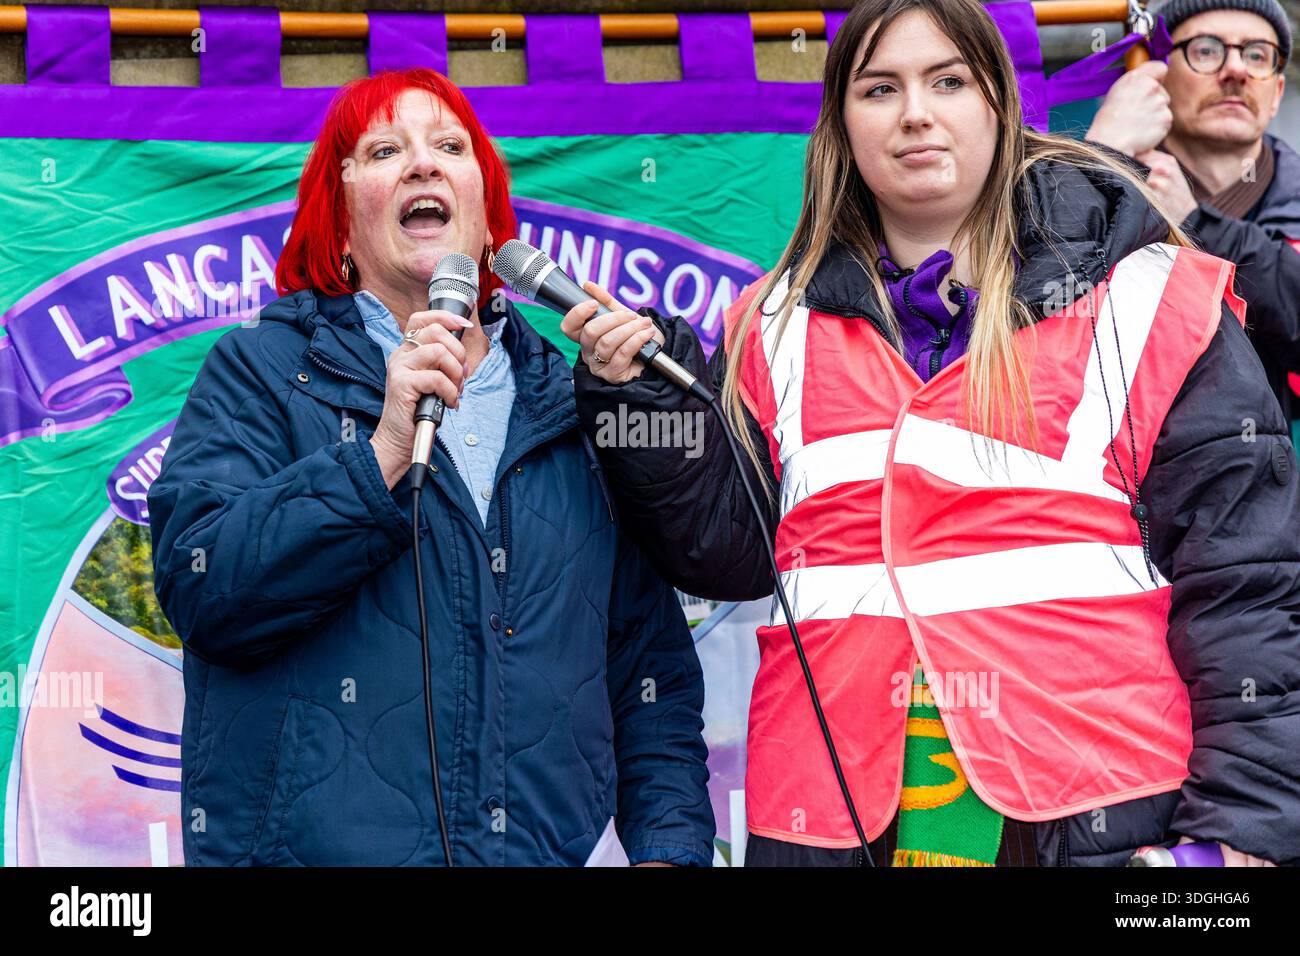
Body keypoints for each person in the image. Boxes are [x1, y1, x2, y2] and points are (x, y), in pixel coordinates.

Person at [565, 0, 1300, 866]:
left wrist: (1235, 835)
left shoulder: (1151, 295)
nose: (916, 112)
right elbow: (726, 556)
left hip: (1095, 815)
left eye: (948, 81)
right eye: (881, 88)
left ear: (999, 104)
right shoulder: (769, 321)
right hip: (831, 817)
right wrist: (645, 406)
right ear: (844, 124)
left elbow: (1246, 584)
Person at [147, 68, 714, 867]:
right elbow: (203, 591)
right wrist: (378, 454)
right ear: (339, 230)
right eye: (385, 150)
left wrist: (669, 852)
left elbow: (648, 669)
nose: (423, 164)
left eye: (450, 146)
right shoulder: (262, 371)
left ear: (490, 230)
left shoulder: (574, 402)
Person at [1087, 0, 1300, 433]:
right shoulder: (1097, 179)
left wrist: (1195, 223)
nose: (1236, 70)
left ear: (1277, 93)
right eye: (1206, 50)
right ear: (1157, 75)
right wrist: (1095, 163)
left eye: (1257, 55)